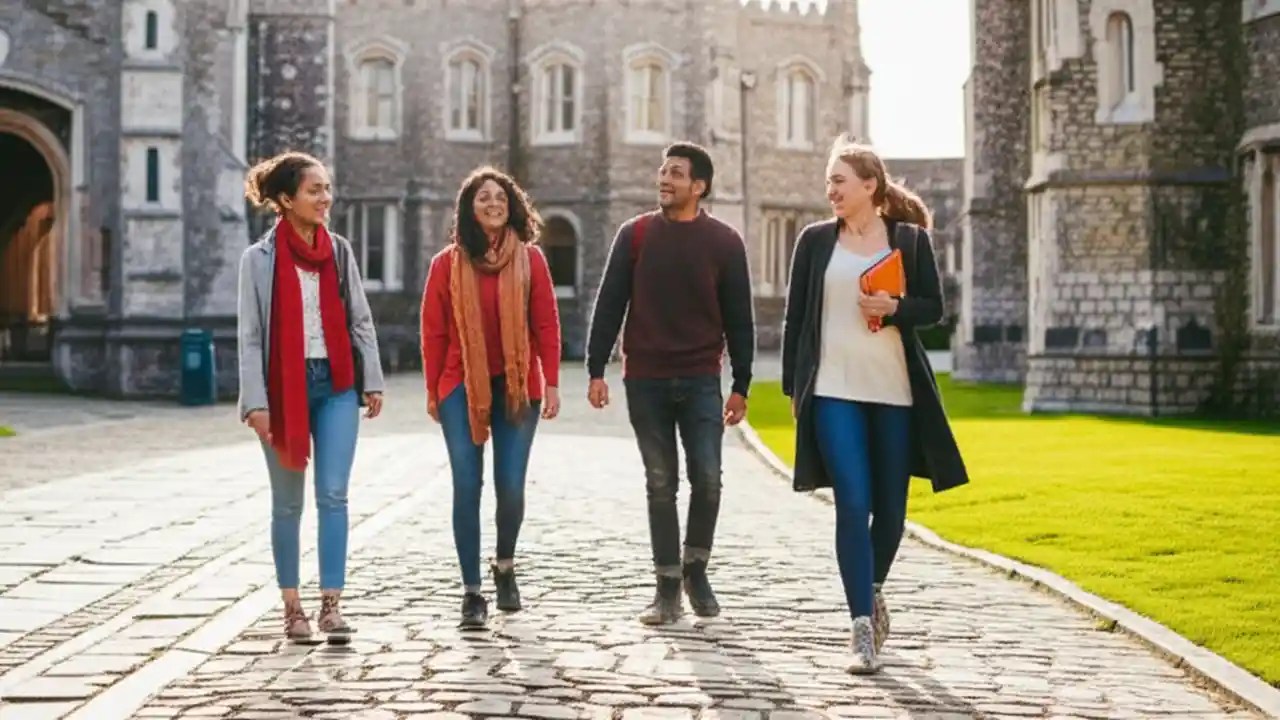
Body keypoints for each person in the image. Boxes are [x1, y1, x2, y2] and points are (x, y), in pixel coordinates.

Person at [780, 136, 969, 673]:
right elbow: (796, 319)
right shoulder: (815, 242)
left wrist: (895, 307)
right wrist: (797, 387)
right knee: (852, 502)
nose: (830, 189)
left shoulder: (909, 241)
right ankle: (860, 627)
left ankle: (872, 587)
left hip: (895, 393)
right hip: (834, 390)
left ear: (870, 185)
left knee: (891, 512)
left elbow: (933, 308)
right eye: (828, 181)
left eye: (839, 180)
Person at [585, 142, 755, 626]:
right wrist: (595, 368)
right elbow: (610, 302)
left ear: (698, 186)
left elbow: (740, 320)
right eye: (662, 171)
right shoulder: (634, 235)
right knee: (660, 483)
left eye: (676, 173)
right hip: (646, 379)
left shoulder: (724, 243)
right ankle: (666, 589)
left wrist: (741, 382)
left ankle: (695, 568)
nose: (665, 179)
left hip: (702, 378)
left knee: (708, 479)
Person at [237, 151, 386, 645]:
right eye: (314, 190)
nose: (325, 198)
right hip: (283, 388)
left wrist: (373, 380)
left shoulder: (339, 251)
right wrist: (255, 403)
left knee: (334, 495)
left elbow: (359, 319)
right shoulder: (257, 261)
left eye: (327, 188)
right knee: (287, 505)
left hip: (337, 385)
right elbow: (251, 336)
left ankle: (331, 606)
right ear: (285, 199)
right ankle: (292, 608)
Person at [420, 166, 562, 629]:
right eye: (483, 197)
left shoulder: (532, 260)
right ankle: (471, 592)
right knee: (467, 484)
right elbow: (434, 331)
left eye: (500, 196)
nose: (493, 203)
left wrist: (554, 381)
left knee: (511, 485)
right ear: (468, 207)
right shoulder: (446, 264)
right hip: (461, 382)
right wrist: (432, 391)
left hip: (519, 385)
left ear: (513, 204)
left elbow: (545, 323)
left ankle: (504, 565)